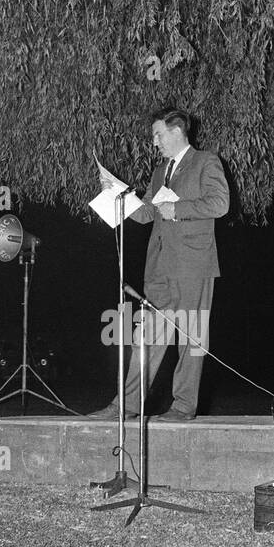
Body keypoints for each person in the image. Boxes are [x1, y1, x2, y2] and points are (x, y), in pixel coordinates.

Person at [90, 108, 229, 422]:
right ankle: (125, 405)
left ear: (177, 131)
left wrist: (177, 209)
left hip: (194, 266)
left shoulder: (206, 162)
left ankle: (183, 407)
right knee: (148, 339)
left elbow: (220, 204)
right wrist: (117, 195)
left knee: (191, 340)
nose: (154, 142)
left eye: (159, 134)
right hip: (159, 270)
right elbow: (148, 213)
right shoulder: (159, 171)